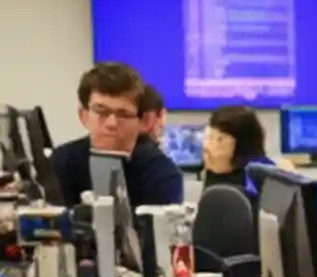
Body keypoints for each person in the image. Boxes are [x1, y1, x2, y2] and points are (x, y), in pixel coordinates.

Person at [52, 63, 184, 208]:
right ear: (83, 116)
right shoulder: (60, 163)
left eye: (124, 114)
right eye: (101, 112)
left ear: (141, 121)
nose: (112, 123)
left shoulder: (161, 173)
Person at [201, 106, 275, 197]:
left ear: (242, 143)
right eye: (208, 137)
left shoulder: (264, 176)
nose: (207, 147)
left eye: (219, 139)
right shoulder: (215, 170)